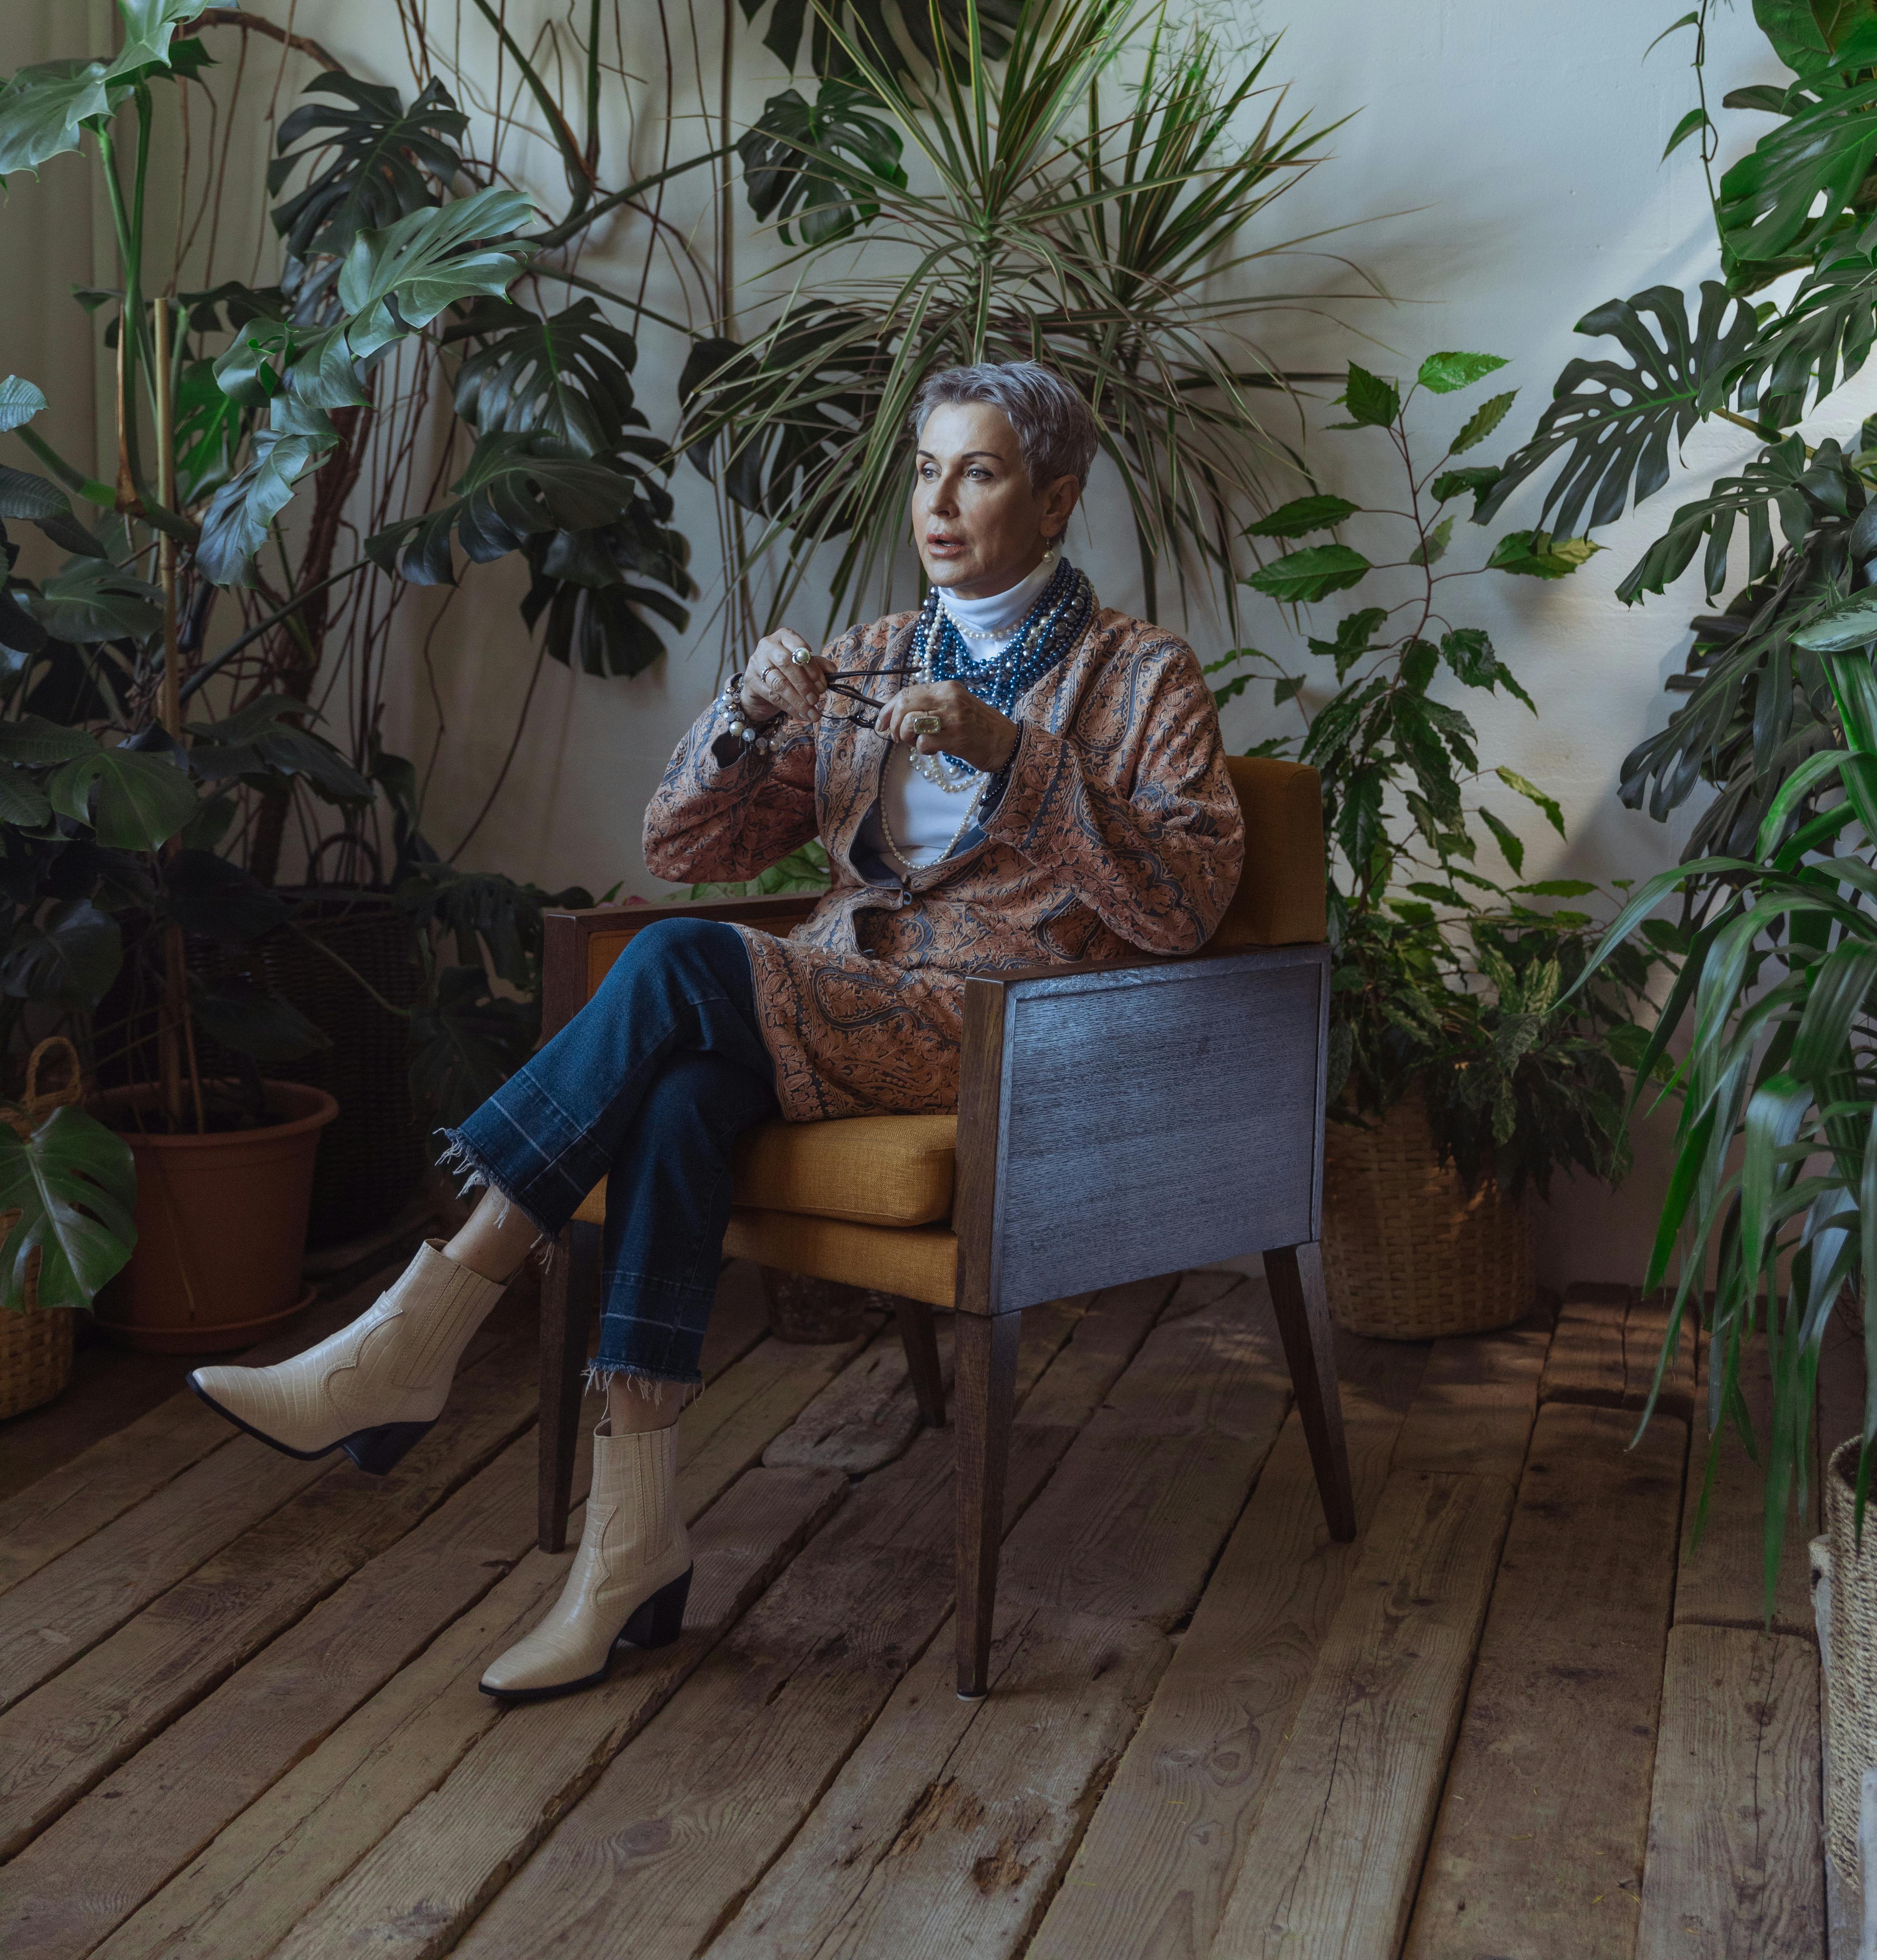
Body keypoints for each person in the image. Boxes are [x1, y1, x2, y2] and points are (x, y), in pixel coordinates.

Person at [189, 360, 1244, 1701]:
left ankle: (417, 1333)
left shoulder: (1143, 676)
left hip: (998, 1027)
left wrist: (1010, 753)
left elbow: (1187, 901)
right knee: (683, 1092)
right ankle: (631, 1548)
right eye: (926, 471)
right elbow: (683, 848)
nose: (938, 503)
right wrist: (745, 715)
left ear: (1055, 501)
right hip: (840, 1000)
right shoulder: (875, 654)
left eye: (977, 474)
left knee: (682, 963)